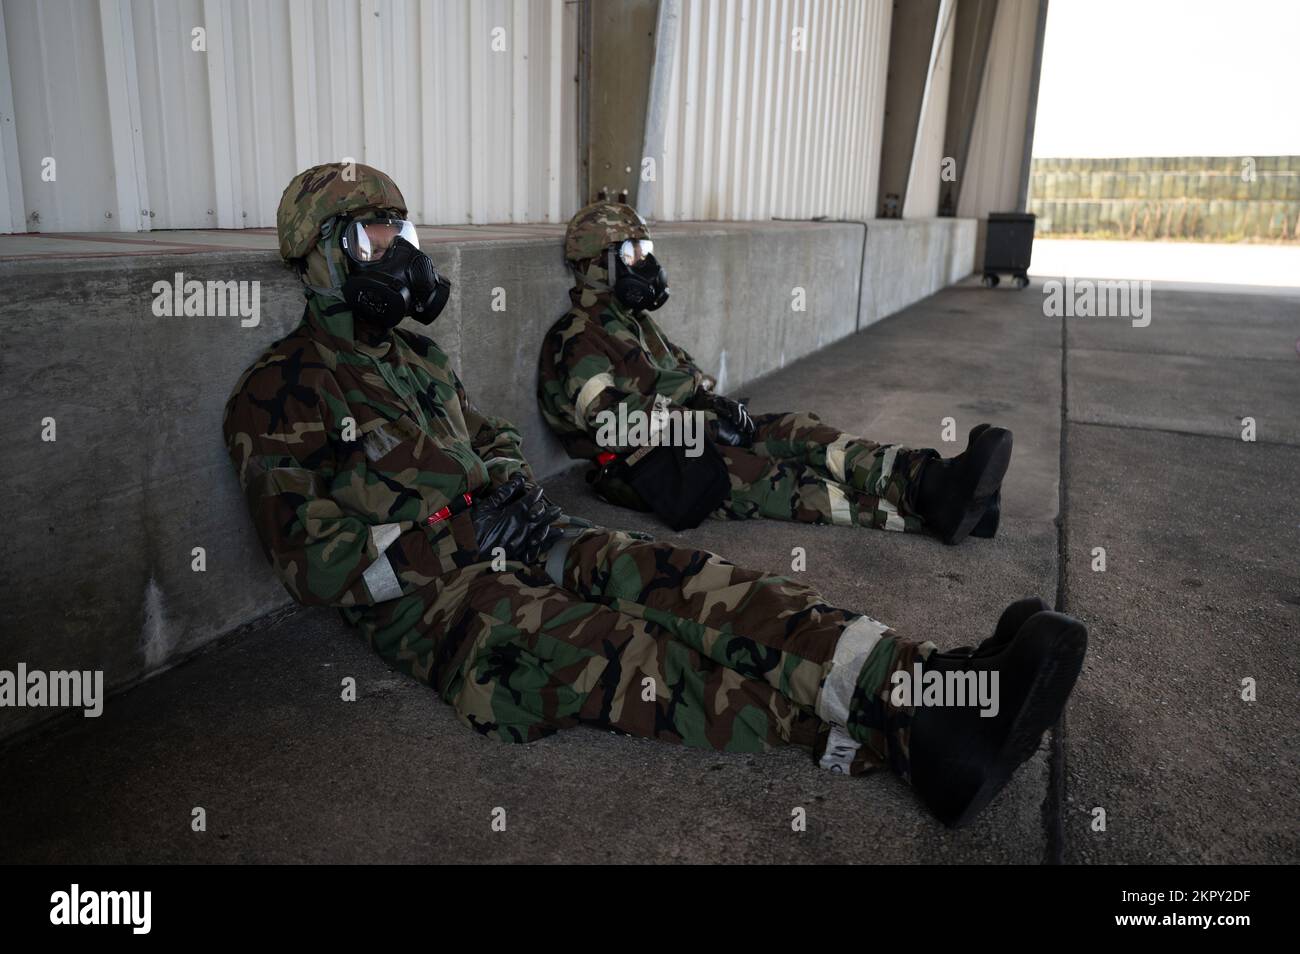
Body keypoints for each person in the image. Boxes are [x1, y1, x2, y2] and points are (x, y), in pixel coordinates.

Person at [223, 163, 1086, 829]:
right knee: (643, 656)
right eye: (379, 238)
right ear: (326, 257)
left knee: (694, 582)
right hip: (446, 607)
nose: (404, 253)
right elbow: (312, 564)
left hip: (525, 533)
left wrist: (511, 489)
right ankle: (911, 741)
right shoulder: (279, 392)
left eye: (402, 230)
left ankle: (926, 682)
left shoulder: (417, 360)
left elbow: (485, 437)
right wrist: (455, 533)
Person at [538, 199, 1012, 543]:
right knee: (782, 479)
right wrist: (703, 423)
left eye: (645, 251)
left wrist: (711, 405)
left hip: (691, 433)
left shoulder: (634, 323)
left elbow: (686, 376)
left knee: (800, 432)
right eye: (631, 254)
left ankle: (928, 479)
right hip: (640, 465)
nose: (647, 264)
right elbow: (614, 425)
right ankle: (940, 512)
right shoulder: (577, 339)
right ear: (597, 266)